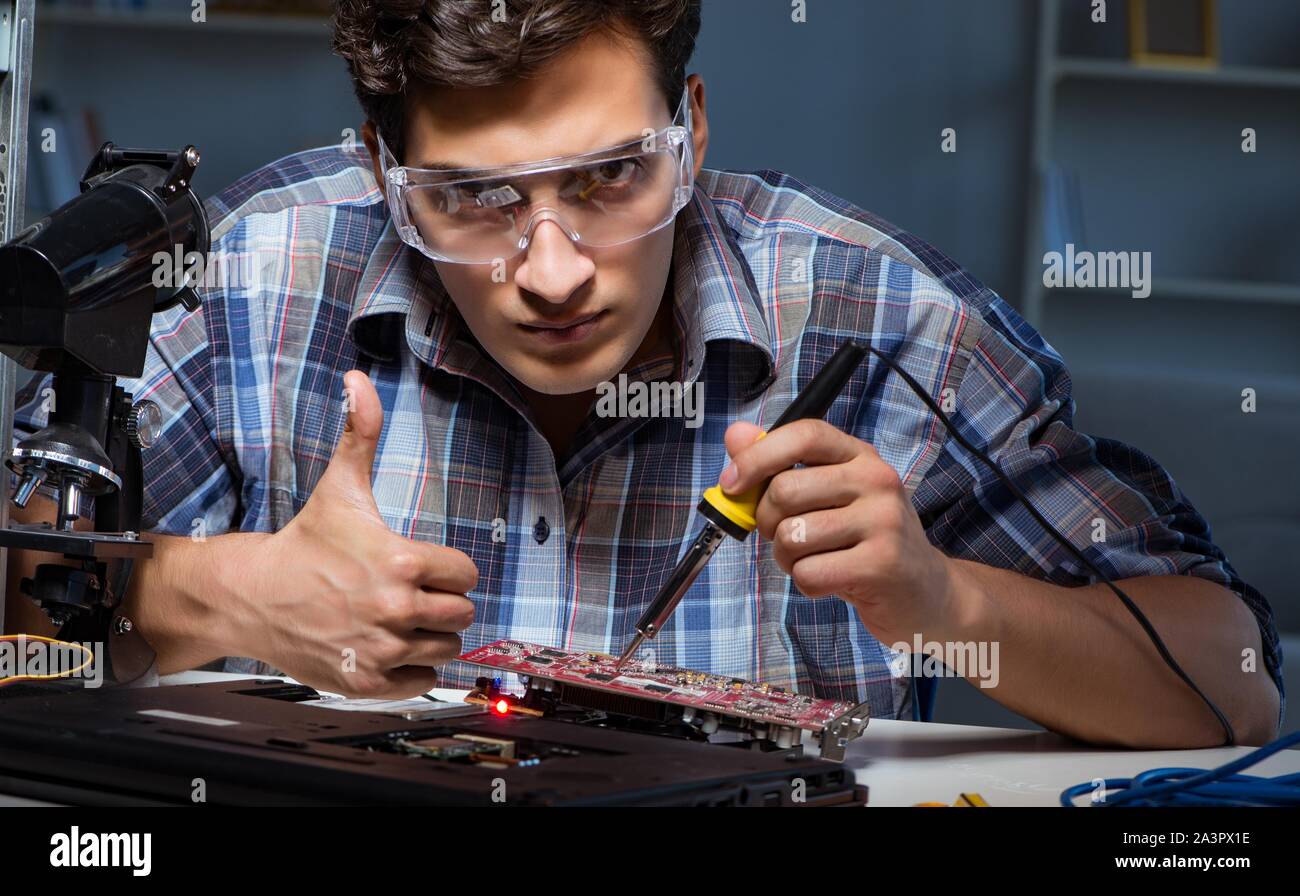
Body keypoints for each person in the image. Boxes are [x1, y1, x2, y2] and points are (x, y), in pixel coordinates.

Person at [6, 0, 1281, 747]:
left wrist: (940, 594)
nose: (555, 270)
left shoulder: (876, 309)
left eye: (613, 177)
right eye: (474, 198)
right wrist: (213, 599)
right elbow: (13, 636)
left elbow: (1232, 687)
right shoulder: (254, 276)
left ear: (697, 132)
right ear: (381, 176)